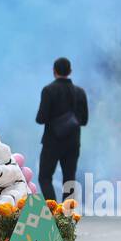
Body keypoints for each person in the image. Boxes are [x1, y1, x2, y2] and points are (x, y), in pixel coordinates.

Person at [35, 56, 89, 203]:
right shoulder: (80, 92)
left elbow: (40, 118)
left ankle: (53, 212)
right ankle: (67, 217)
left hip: (52, 142)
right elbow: (84, 121)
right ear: (70, 71)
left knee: (45, 177)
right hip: (73, 142)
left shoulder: (48, 90)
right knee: (69, 179)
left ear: (54, 71)